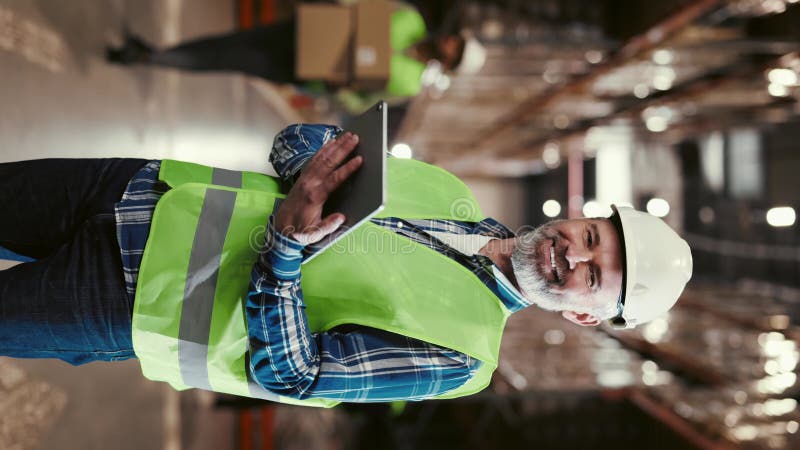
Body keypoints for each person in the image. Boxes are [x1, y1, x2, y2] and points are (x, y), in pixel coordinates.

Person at [0, 124, 692, 405]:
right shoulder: (447, 191)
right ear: (584, 215)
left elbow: (296, 376)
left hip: (128, 296)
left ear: (580, 312)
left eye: (594, 277)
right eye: (594, 236)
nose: (574, 253)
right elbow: (298, 140)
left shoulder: (462, 358)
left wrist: (286, 252)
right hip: (142, 189)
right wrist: (315, 171)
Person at [105, 4, 487, 107]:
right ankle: (156, 54)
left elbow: (358, 102)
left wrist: (338, 88)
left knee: (231, 58)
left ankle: (152, 57)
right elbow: (362, 8)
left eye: (456, 51)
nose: (451, 43)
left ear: (448, 64)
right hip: (305, 34)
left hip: (306, 70)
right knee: (230, 41)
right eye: (457, 39)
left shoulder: (408, 84)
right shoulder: (408, 18)